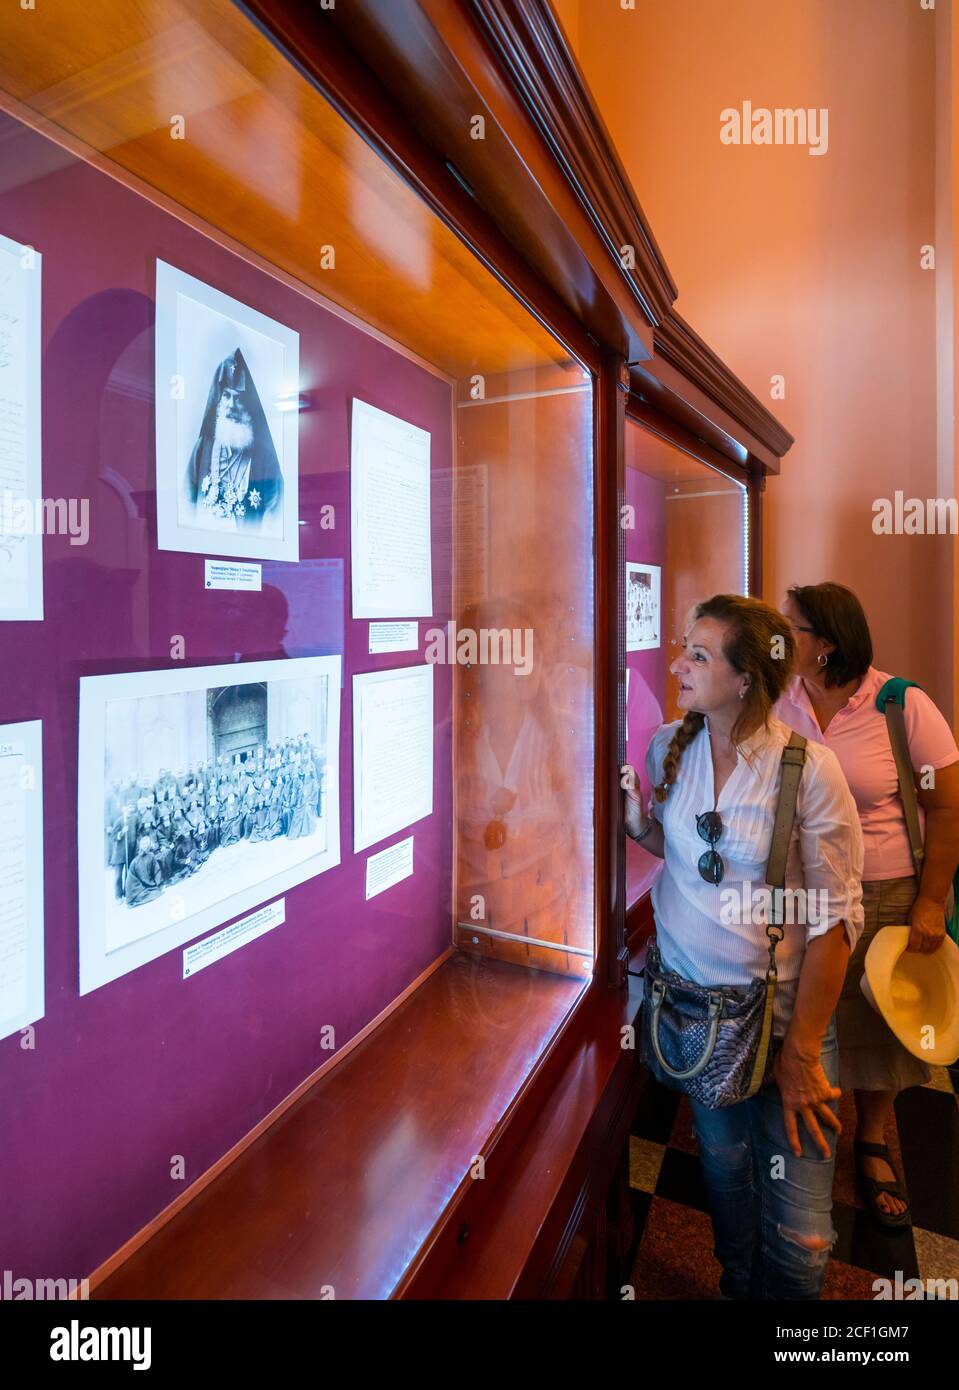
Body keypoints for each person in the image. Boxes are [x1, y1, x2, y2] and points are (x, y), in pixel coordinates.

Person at [622, 594, 864, 1300]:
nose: (677, 665)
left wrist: (797, 1055)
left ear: (745, 678)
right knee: (725, 1179)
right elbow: (688, 857)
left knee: (802, 1237)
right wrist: (637, 824)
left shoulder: (807, 770)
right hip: (698, 1018)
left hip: (789, 1022)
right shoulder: (668, 745)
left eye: (697, 655)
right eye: (682, 648)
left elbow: (833, 925)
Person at [776, 582, 959, 1226]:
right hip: (802, 898)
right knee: (813, 1018)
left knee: (881, 1023)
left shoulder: (900, 704)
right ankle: (805, 1148)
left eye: (790, 627)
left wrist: (931, 901)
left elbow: (945, 807)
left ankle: (873, 1138)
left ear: (824, 645)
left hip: (885, 894)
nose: (780, 635)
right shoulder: (781, 696)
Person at [184, 347, 283, 529]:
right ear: (219, 401)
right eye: (226, 396)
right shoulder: (201, 448)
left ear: (250, 407)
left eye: (239, 399)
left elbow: (273, 517)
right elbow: (187, 503)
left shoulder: (266, 459)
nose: (231, 406)